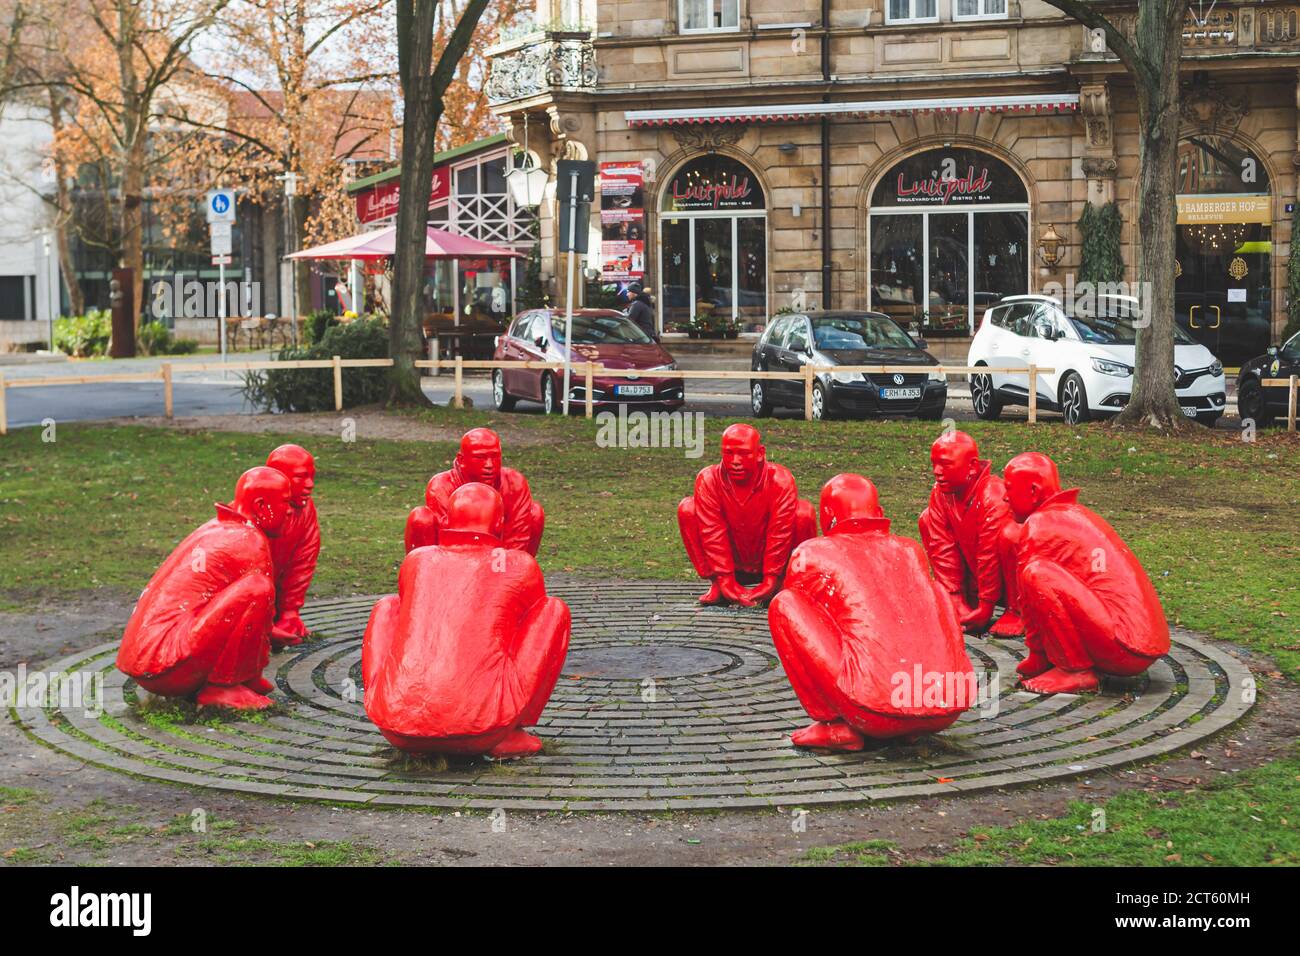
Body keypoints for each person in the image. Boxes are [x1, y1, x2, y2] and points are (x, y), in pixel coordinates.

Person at [364, 483, 571, 758]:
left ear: (447, 520)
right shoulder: (519, 564)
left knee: (388, 606)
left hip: (396, 728)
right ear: (499, 523)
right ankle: (513, 730)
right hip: (483, 731)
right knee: (552, 610)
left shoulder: (417, 560)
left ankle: (413, 721)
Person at [769, 474, 976, 749]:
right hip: (946, 709)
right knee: (935, 591)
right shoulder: (909, 550)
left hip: (871, 713)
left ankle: (834, 724)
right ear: (879, 513)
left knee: (785, 604)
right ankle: (912, 723)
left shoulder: (813, 552)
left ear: (827, 515)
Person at [116, 467, 293, 711]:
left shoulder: (217, 527)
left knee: (252, 591)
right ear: (262, 506)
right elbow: (254, 602)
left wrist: (269, 632)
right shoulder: (249, 541)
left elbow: (233, 612)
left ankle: (245, 679)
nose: (290, 511)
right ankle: (224, 688)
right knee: (258, 588)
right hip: (168, 667)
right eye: (286, 503)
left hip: (146, 660)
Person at [1004, 453, 1171, 695]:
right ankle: (1059, 661)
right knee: (1041, 575)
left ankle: (1074, 670)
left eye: (1009, 488)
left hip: (1122, 647)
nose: (1004, 497)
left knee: (1035, 574)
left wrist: (1036, 651)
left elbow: (1028, 600)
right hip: (1141, 643)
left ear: (1033, 491)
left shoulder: (1039, 524)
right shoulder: (1074, 514)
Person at [677, 423, 816, 607]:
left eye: (743, 454)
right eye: (728, 453)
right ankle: (717, 584)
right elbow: (711, 531)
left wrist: (771, 578)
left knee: (803, 514)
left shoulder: (780, 480)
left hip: (769, 562)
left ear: (760, 453)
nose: (735, 461)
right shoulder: (708, 479)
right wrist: (724, 578)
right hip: (729, 562)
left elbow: (780, 532)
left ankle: (782, 583)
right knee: (688, 510)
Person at [918, 431, 1023, 636]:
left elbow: (989, 555)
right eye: (934, 464)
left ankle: (1017, 610)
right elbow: (942, 546)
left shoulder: (992, 495)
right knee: (927, 519)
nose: (937, 472)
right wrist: (954, 595)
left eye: (946, 464)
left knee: (1011, 535)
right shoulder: (941, 493)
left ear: (972, 466)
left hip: (1004, 582)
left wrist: (986, 606)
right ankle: (960, 598)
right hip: (976, 580)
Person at [405, 428, 544, 556]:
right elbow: (451, 540)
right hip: (451, 563)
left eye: (495, 457)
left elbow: (518, 537)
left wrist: (506, 569)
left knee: (535, 514)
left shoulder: (514, 483)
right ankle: (425, 577)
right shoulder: (441, 485)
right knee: (421, 518)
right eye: (480, 458)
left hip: (500, 562)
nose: (489, 465)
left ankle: (522, 574)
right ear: (462, 460)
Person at [265, 444, 320, 648]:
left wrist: (290, 611)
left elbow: (303, 561)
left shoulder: (305, 509)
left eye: (312, 476)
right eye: (301, 477)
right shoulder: (260, 510)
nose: (310, 484)